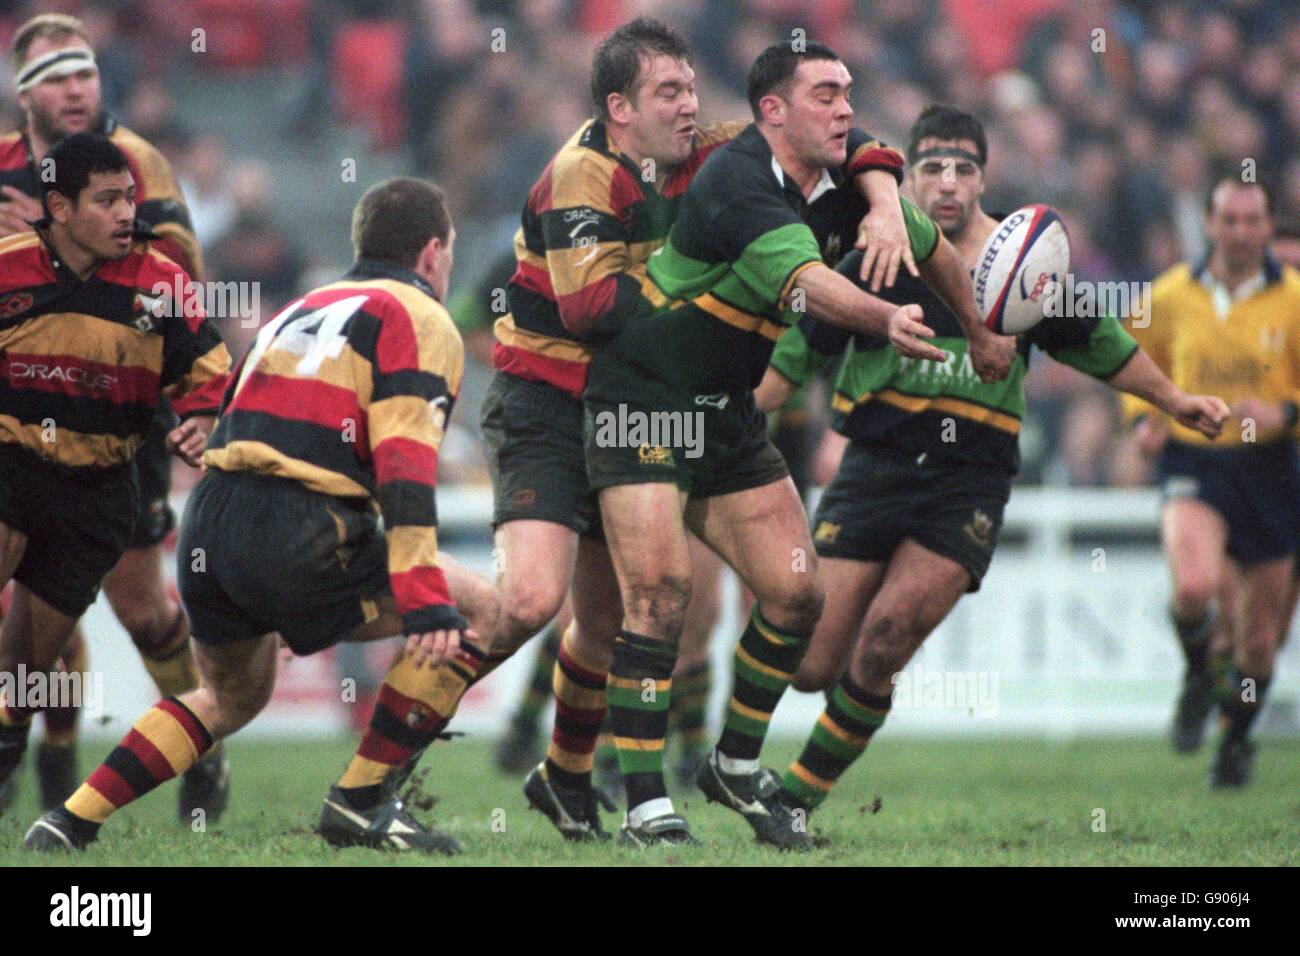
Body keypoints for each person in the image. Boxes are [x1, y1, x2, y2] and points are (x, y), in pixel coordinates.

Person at [581, 46, 1014, 848]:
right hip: (642, 396)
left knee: (796, 595)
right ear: (773, 111)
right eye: (826, 94)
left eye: (849, 92)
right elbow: (809, 284)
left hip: (726, 413)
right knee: (662, 596)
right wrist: (886, 318)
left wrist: (982, 332)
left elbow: (933, 250)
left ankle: (735, 767)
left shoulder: (850, 180)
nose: (846, 108)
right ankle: (646, 807)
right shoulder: (737, 183)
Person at [758, 106, 1228, 824]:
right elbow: (798, 353)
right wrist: (724, 425)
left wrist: (1174, 399)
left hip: (967, 483)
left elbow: (1099, 342)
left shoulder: (1025, 264)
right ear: (909, 177)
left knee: (886, 640)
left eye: (964, 168)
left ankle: (791, 802)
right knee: (813, 666)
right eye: (933, 168)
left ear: (985, 175)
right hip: (873, 467)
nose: (948, 183)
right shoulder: (880, 252)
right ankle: (757, 747)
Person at [25, 176, 500, 854]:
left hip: (214, 521)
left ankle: (69, 820)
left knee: (228, 698)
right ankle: (361, 800)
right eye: (448, 250)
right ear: (432, 252)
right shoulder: (419, 316)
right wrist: (423, 598)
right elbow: (405, 461)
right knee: (480, 607)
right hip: (303, 523)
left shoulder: (300, 306)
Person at [0, 12, 225, 818]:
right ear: (23, 93)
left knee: (139, 606)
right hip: (22, 417)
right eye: (57, 76)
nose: (78, 89)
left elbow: (182, 285)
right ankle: (45, 754)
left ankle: (201, 727)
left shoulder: (138, 165)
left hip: (118, 412)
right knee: (28, 595)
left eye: (87, 73)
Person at [1125, 175, 1300, 787]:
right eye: (1231, 219)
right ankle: (1198, 677)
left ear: (1269, 227)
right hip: (1195, 459)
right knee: (1196, 588)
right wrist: (1144, 417)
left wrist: (1286, 413)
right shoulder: (1170, 294)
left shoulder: (1295, 299)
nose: (1243, 232)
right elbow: (1129, 360)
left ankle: (1237, 739)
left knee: (1258, 644)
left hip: (1271, 471)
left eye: (1255, 221)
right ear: (1208, 224)